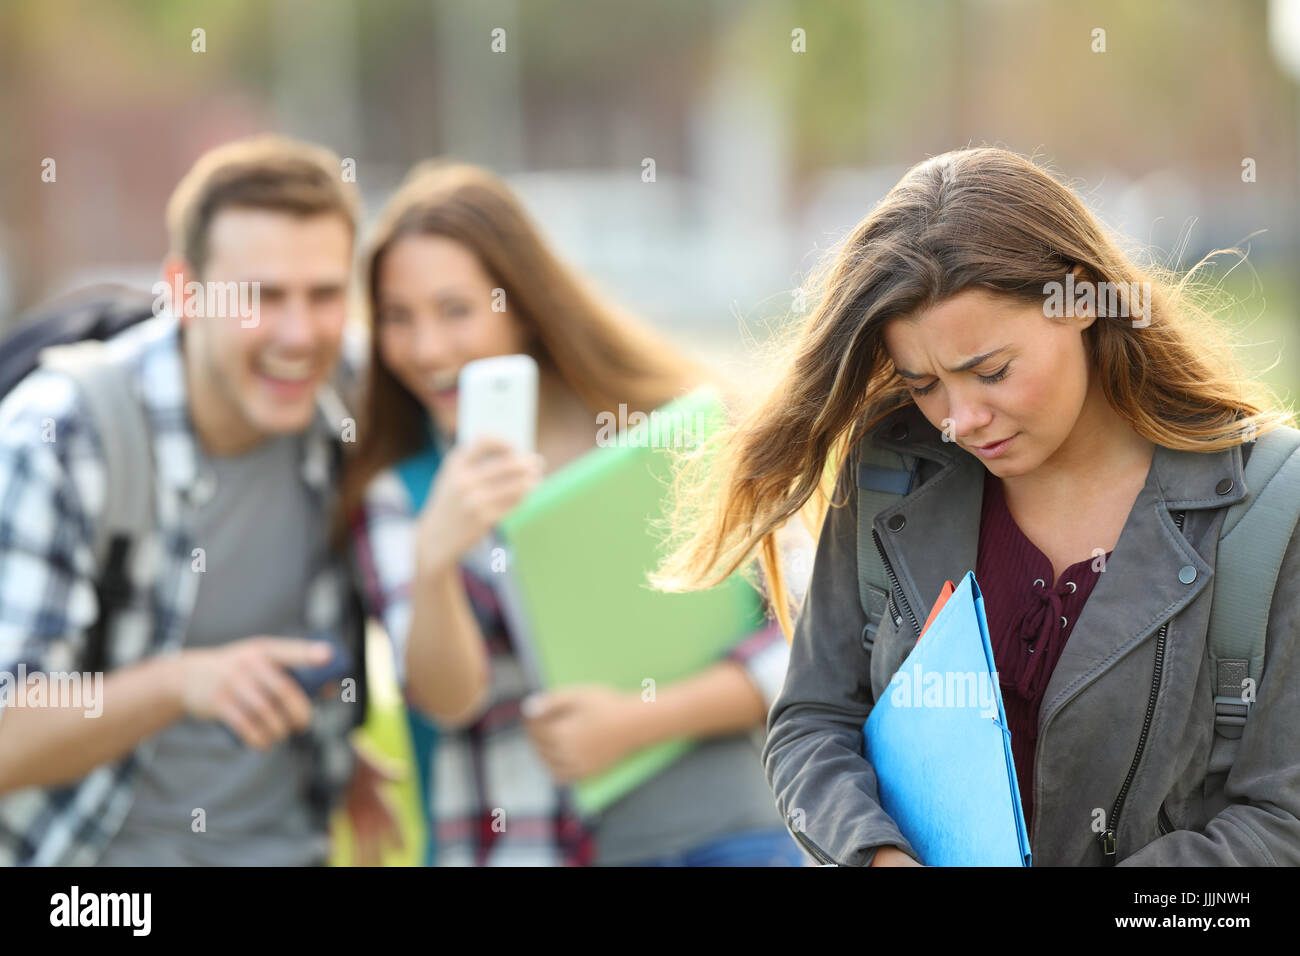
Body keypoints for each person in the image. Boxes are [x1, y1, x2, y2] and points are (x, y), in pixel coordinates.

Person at [652, 145, 1300, 866]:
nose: (960, 417)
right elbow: (814, 720)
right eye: (924, 384)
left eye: (990, 372)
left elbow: (1281, 822)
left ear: (1081, 300)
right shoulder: (887, 470)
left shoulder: (1274, 510)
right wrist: (875, 855)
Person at [339, 160, 803, 866]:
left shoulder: (670, 433)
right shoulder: (401, 493)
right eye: (398, 318)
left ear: (522, 305)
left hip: (716, 835)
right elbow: (446, 698)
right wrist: (437, 558)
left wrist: (634, 722)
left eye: (456, 310)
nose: (427, 349)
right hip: (518, 848)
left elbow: (799, 642)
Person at [0, 135, 399, 866]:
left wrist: (337, 750)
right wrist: (182, 685)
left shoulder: (350, 399)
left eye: (324, 294)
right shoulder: (60, 437)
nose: (299, 333)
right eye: (261, 296)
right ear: (184, 292)